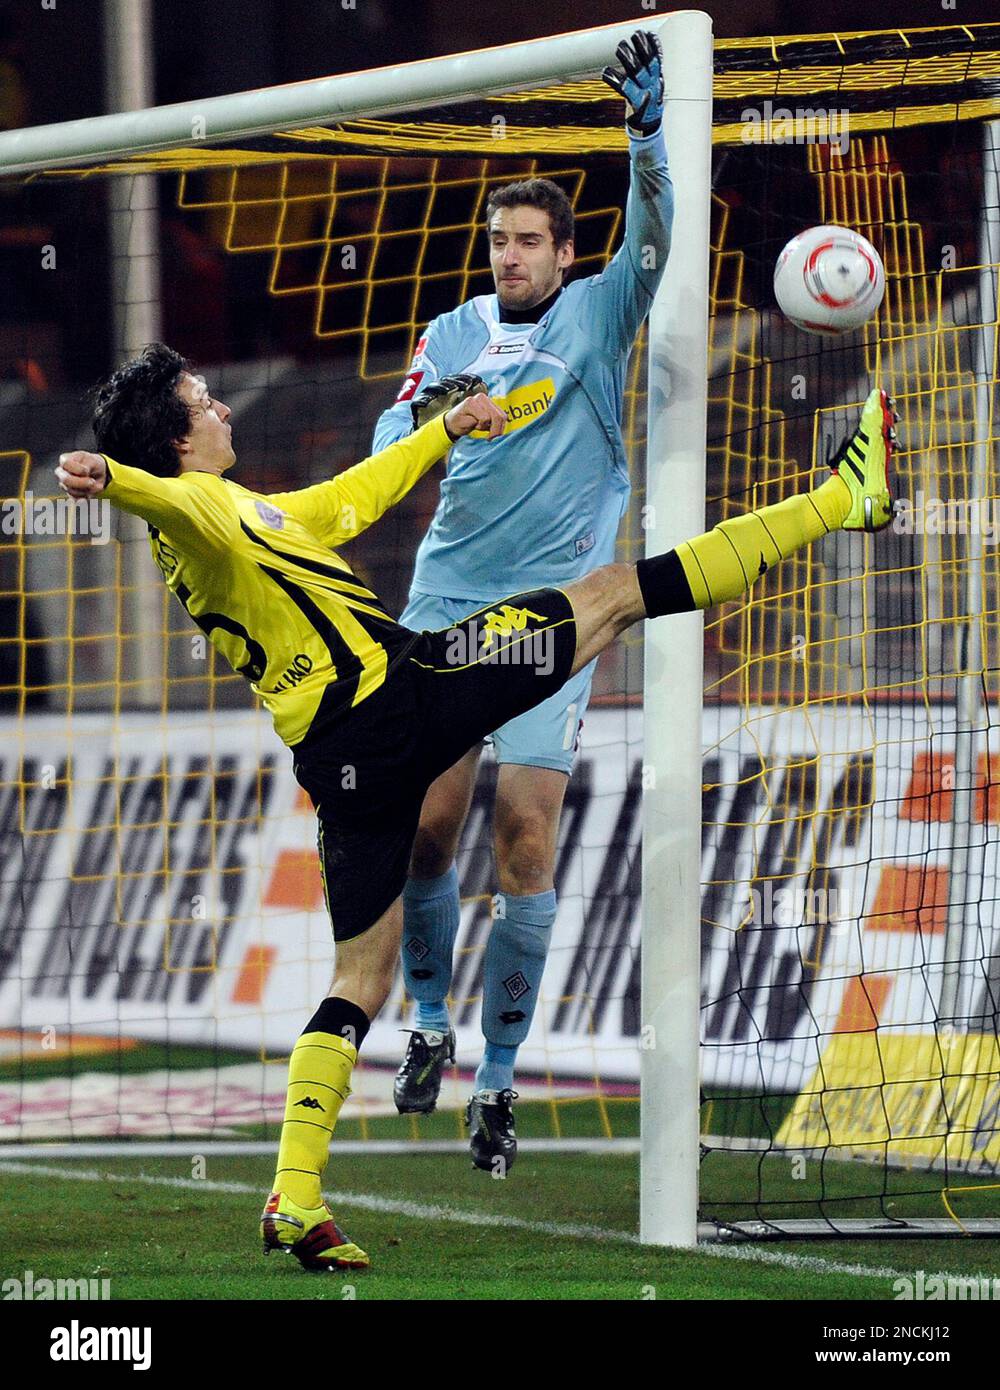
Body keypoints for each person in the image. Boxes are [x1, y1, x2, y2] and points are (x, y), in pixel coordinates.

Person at [57, 340, 897, 1270]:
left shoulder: (237, 514)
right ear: (174, 441)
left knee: (357, 979)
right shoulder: (193, 505)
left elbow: (348, 501)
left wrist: (442, 433)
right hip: (403, 698)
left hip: (337, 758)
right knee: (616, 596)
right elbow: (163, 497)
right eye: (202, 397)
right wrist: (117, 481)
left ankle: (295, 1196)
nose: (220, 407)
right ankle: (839, 501)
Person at [372, 30, 674, 1167]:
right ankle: (428, 1026)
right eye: (498, 239)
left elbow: (658, 237)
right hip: (447, 600)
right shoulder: (451, 331)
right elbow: (387, 436)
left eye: (528, 240)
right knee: (426, 832)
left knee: (526, 837)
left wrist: (645, 138)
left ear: (562, 250)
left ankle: (497, 1085)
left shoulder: (596, 318)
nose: (509, 255)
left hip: (551, 617)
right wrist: (436, 408)